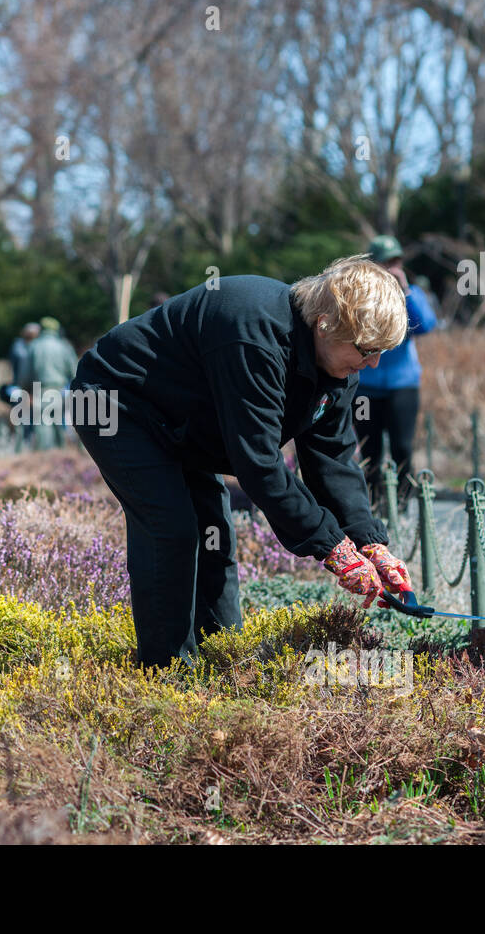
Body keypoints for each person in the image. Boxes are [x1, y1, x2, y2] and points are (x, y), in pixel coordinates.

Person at [70, 257, 414, 669]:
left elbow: (333, 458)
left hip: (185, 421)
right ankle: (166, 677)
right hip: (118, 401)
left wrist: (367, 542)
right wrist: (331, 547)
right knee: (173, 530)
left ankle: (225, 661)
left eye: (381, 352)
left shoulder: (340, 363)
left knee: (215, 534)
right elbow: (258, 463)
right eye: (367, 350)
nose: (373, 363)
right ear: (325, 323)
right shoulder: (254, 335)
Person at [354, 235, 437, 515]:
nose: (393, 266)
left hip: (403, 385)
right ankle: (374, 507)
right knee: (370, 452)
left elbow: (425, 325)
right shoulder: (361, 295)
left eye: (396, 260)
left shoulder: (411, 292)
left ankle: (402, 505)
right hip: (366, 386)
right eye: (386, 262)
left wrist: (405, 292)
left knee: (402, 447)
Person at [25, 316, 79, 449]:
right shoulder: (64, 346)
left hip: (40, 389)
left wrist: (26, 389)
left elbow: (25, 373)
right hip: (60, 389)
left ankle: (45, 458)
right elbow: (74, 371)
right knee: (60, 423)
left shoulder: (33, 346)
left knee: (43, 424)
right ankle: (61, 457)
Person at [8, 322, 40, 451]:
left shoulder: (18, 347)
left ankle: (28, 442)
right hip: (24, 387)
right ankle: (25, 443)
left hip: (27, 386)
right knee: (25, 417)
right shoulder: (21, 348)